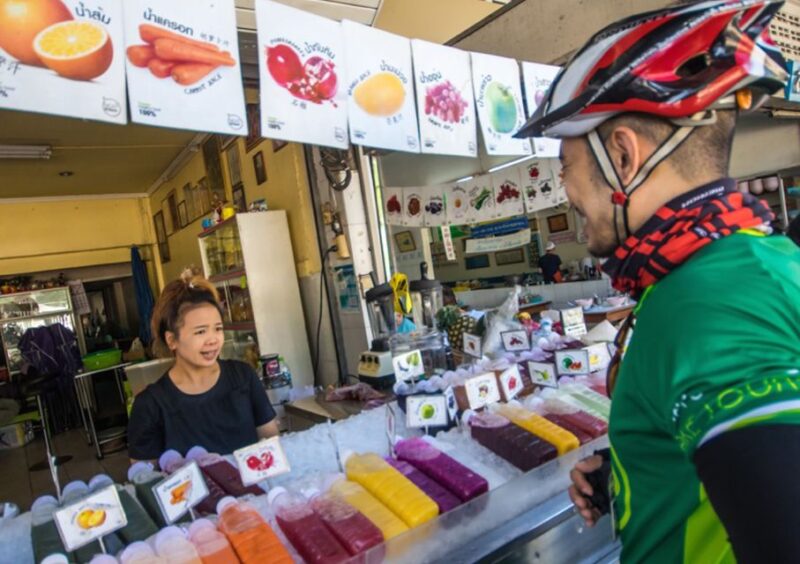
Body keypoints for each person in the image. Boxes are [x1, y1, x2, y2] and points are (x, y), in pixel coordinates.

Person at [516, 1, 800, 562]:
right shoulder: (737, 264)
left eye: (566, 165)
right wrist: (639, 477)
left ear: (623, 155)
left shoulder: (712, 303)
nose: (566, 190)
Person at [128, 274, 279, 462]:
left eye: (218, 328)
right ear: (172, 340)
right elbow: (144, 479)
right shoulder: (150, 406)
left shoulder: (243, 376)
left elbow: (271, 443)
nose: (213, 339)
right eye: (200, 331)